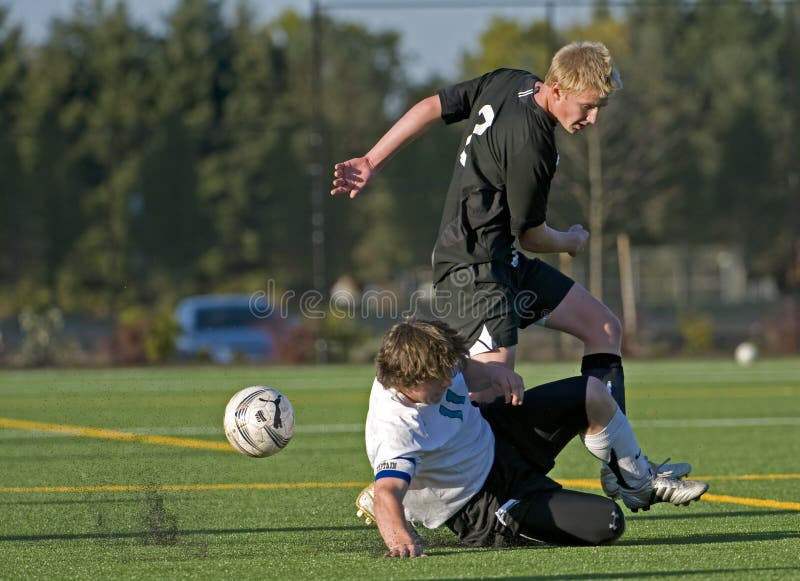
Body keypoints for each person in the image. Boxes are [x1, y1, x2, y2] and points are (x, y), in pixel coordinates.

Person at [332, 41, 689, 496]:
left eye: (599, 108)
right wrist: (573, 241)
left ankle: (621, 471)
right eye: (588, 107)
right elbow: (535, 236)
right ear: (557, 89)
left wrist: (371, 159)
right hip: (475, 269)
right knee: (488, 391)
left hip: (504, 260)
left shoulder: (509, 81)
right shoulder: (533, 144)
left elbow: (430, 106)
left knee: (602, 326)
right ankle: (421, 481)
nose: (592, 119)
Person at [361, 320, 708, 558]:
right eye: (436, 380)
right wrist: (399, 539)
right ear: (406, 379)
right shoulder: (397, 428)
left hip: (496, 435)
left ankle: (637, 483)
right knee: (608, 523)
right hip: (481, 502)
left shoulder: (430, 359)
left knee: (591, 392)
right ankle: (402, 507)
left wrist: (496, 375)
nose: (446, 381)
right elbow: (389, 490)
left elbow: (467, 369)